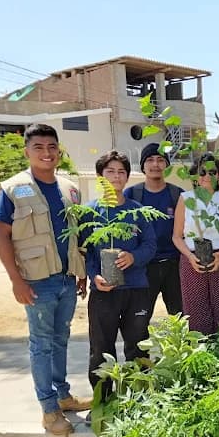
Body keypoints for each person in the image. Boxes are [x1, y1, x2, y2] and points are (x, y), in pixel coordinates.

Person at [0, 123, 91, 436]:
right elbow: (2, 234)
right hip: (36, 281)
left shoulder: (70, 188)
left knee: (61, 339)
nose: (46, 153)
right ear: (27, 151)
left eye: (51, 147)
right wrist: (15, 281)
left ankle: (63, 396)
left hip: (67, 279)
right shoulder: (12, 188)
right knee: (41, 345)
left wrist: (81, 272)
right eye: (39, 147)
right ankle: (49, 411)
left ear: (58, 150)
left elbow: (77, 236)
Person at [83, 151, 156, 399]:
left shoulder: (137, 211)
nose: (116, 176)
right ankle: (103, 399)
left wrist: (134, 257)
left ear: (127, 177)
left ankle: (139, 397)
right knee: (101, 348)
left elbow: (150, 245)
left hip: (136, 290)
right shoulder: (90, 212)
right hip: (104, 292)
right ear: (100, 176)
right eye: (110, 172)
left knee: (138, 345)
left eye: (121, 172)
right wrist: (94, 276)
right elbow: (86, 252)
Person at [171, 153, 219, 335]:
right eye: (202, 172)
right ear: (195, 175)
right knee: (196, 315)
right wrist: (190, 257)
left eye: (212, 171)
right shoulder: (185, 199)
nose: (207, 176)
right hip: (192, 260)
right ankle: (201, 359)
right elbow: (177, 237)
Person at [123, 143, 183, 322]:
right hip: (143, 267)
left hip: (174, 266)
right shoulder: (132, 194)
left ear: (167, 165)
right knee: (138, 321)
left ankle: (183, 351)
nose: (155, 164)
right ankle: (139, 351)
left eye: (160, 160)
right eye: (150, 160)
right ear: (143, 166)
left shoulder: (177, 194)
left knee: (181, 319)